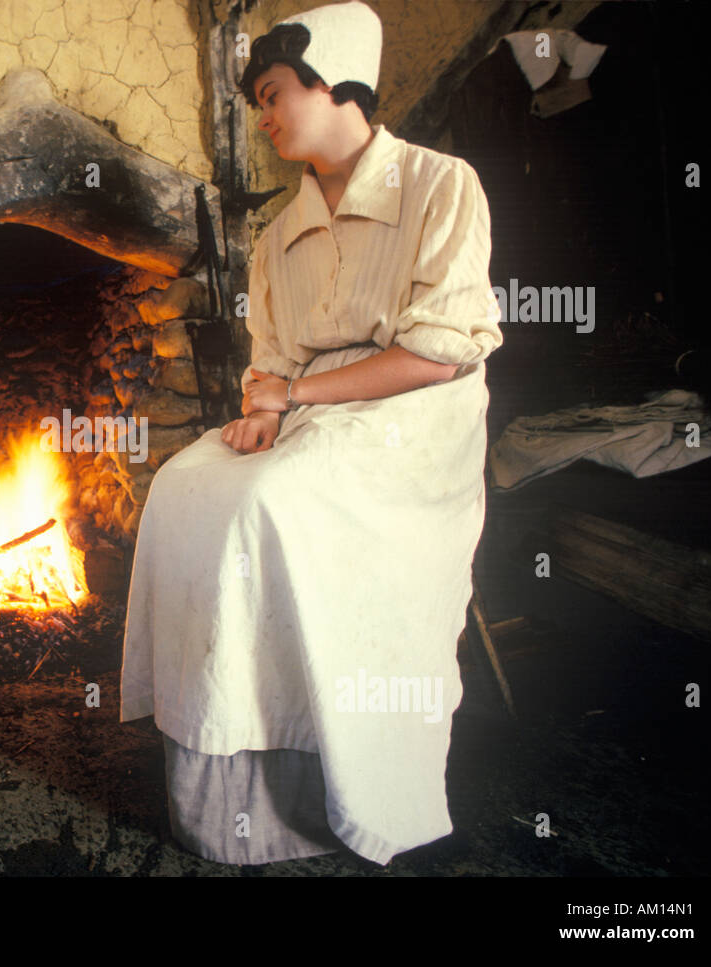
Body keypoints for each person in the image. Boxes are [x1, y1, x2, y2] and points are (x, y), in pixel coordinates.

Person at [119, 0, 503, 867]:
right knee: (184, 486)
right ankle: (227, 773)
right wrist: (262, 412)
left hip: (413, 421)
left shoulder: (441, 185)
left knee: (271, 501)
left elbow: (438, 357)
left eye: (272, 92)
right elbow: (273, 357)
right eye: (256, 99)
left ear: (334, 85)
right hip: (309, 406)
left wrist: (293, 396)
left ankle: (338, 782)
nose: (262, 115)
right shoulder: (280, 236)